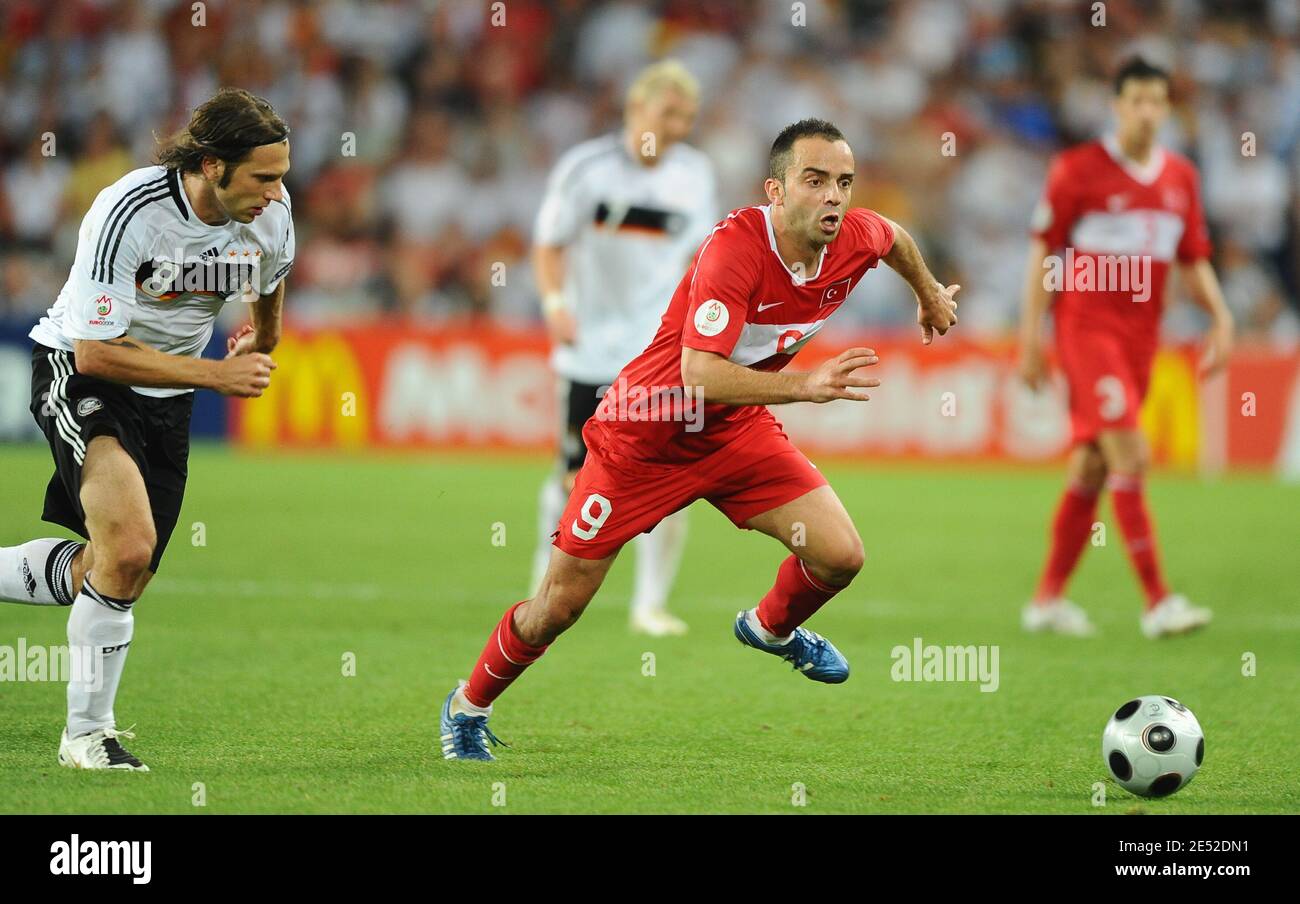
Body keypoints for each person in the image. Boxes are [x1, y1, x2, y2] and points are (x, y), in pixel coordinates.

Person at [440, 118, 959, 760]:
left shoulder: (855, 236)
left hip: (733, 433)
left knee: (839, 556)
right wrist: (805, 386)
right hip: (644, 437)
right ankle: (469, 705)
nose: (834, 196)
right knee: (558, 606)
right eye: (815, 180)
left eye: (844, 183)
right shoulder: (735, 249)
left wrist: (930, 294)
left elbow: (895, 238)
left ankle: (770, 629)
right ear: (775, 189)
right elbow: (699, 373)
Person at [0, 88, 294, 770]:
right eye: (264, 177)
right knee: (129, 545)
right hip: (85, 377)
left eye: (283, 177)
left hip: (169, 395)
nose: (277, 194)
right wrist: (218, 377)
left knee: (116, 568)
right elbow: (94, 350)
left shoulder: (270, 217)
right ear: (214, 165)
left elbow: (271, 280)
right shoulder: (130, 209)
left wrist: (265, 338)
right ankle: (87, 735)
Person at [1018, 58, 1234, 638]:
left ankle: (1046, 600)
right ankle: (1158, 600)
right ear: (1116, 106)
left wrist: (1221, 317)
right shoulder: (1077, 170)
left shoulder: (1180, 178)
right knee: (1132, 454)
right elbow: (1044, 254)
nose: (1145, 112)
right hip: (1087, 331)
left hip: (1142, 340)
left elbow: (1192, 257)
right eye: (1134, 100)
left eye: (1155, 101)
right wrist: (1030, 339)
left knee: (1091, 464)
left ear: (1167, 109)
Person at [530, 60, 718, 636]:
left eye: (687, 116)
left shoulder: (695, 174)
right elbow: (549, 243)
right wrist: (556, 304)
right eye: (669, 112)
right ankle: (541, 590)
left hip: (658, 355)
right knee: (572, 475)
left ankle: (650, 605)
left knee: (672, 476)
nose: (679, 126)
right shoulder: (585, 169)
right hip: (590, 346)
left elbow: (703, 259)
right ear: (638, 108)